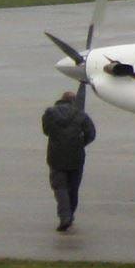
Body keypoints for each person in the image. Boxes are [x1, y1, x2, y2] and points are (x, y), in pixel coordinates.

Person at [41, 90, 97, 232]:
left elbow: (46, 131)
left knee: (60, 187)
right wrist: (80, 143)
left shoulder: (50, 113)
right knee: (73, 188)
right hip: (76, 156)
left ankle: (65, 216)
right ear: (73, 101)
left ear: (61, 100)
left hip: (56, 155)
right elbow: (91, 134)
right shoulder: (81, 115)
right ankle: (70, 215)